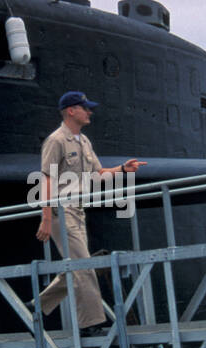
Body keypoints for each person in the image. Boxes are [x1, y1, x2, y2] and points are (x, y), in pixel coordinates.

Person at [35, 91, 146, 334]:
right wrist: (45, 217)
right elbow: (46, 179)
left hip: (78, 211)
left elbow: (98, 173)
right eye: (85, 108)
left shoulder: (84, 142)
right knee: (84, 267)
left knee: (77, 266)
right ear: (71, 111)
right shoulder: (56, 141)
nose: (90, 112)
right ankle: (91, 325)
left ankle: (37, 307)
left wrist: (122, 169)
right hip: (59, 212)